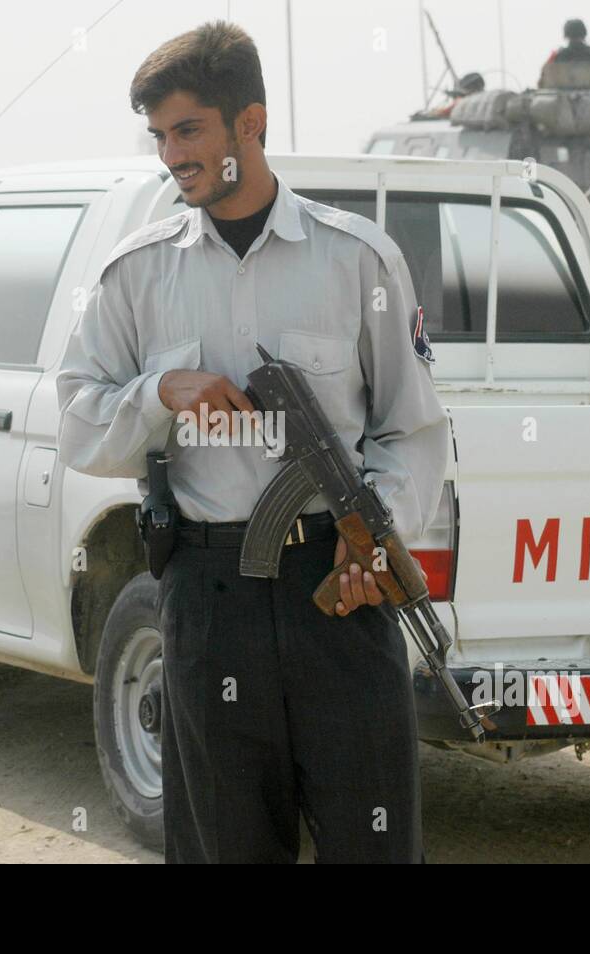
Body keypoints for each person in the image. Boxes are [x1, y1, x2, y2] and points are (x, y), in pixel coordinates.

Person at [57, 21, 450, 863]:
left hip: (338, 596)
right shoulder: (136, 273)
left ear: (251, 123)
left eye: (188, 131)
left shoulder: (356, 260)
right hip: (209, 599)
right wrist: (161, 392)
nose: (171, 156)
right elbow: (79, 426)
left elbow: (411, 428)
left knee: (374, 845)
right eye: (159, 137)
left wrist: (375, 532)